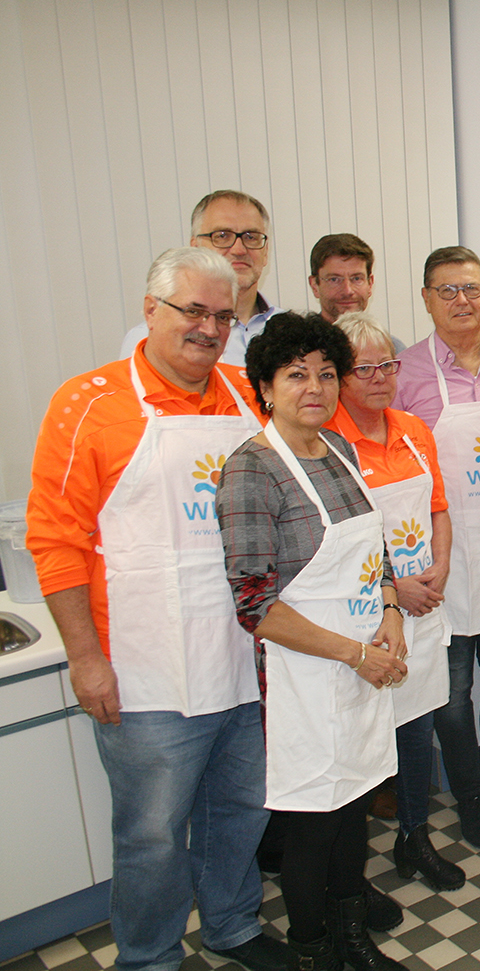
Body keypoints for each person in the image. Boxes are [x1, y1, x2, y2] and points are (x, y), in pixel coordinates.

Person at [28, 247, 286, 971]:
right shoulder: (88, 402)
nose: (207, 327)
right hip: (143, 667)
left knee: (241, 809)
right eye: (192, 311)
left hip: (245, 657)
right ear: (151, 310)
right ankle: (148, 954)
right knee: (151, 831)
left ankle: (232, 924)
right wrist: (85, 658)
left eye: (222, 315)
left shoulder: (245, 395)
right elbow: (56, 540)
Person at [219, 313, 410, 971]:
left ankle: (353, 935)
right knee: (312, 825)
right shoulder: (252, 468)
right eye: (297, 373)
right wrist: (355, 653)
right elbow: (254, 605)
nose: (316, 386)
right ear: (265, 386)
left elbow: (375, 550)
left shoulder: (342, 451)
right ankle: (312, 948)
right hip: (306, 675)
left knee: (352, 804)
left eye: (327, 373)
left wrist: (389, 611)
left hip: (363, 664)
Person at [391, 246, 480, 851]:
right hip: (441, 556)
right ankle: (472, 796)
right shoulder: (404, 372)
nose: (461, 301)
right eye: (447, 290)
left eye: (472, 288)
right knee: (452, 695)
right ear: (426, 298)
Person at [328, 311, 462, 893]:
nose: (381, 377)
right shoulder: (325, 442)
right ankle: (349, 877)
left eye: (388, 364)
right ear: (337, 377)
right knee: (359, 743)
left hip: (424, 605)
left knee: (415, 732)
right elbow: (337, 539)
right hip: (362, 617)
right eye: (365, 369)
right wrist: (394, 590)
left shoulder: (412, 428)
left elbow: (437, 506)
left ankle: (414, 837)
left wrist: (440, 567)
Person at [121, 191, 282, 365]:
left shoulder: (291, 332)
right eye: (222, 236)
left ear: (265, 252)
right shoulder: (149, 339)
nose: (239, 250)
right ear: (195, 247)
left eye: (251, 237)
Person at [308, 234, 407, 352]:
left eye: (356, 279)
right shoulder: (300, 350)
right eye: (334, 279)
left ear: (370, 284)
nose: (348, 291)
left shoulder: (392, 351)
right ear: (314, 285)